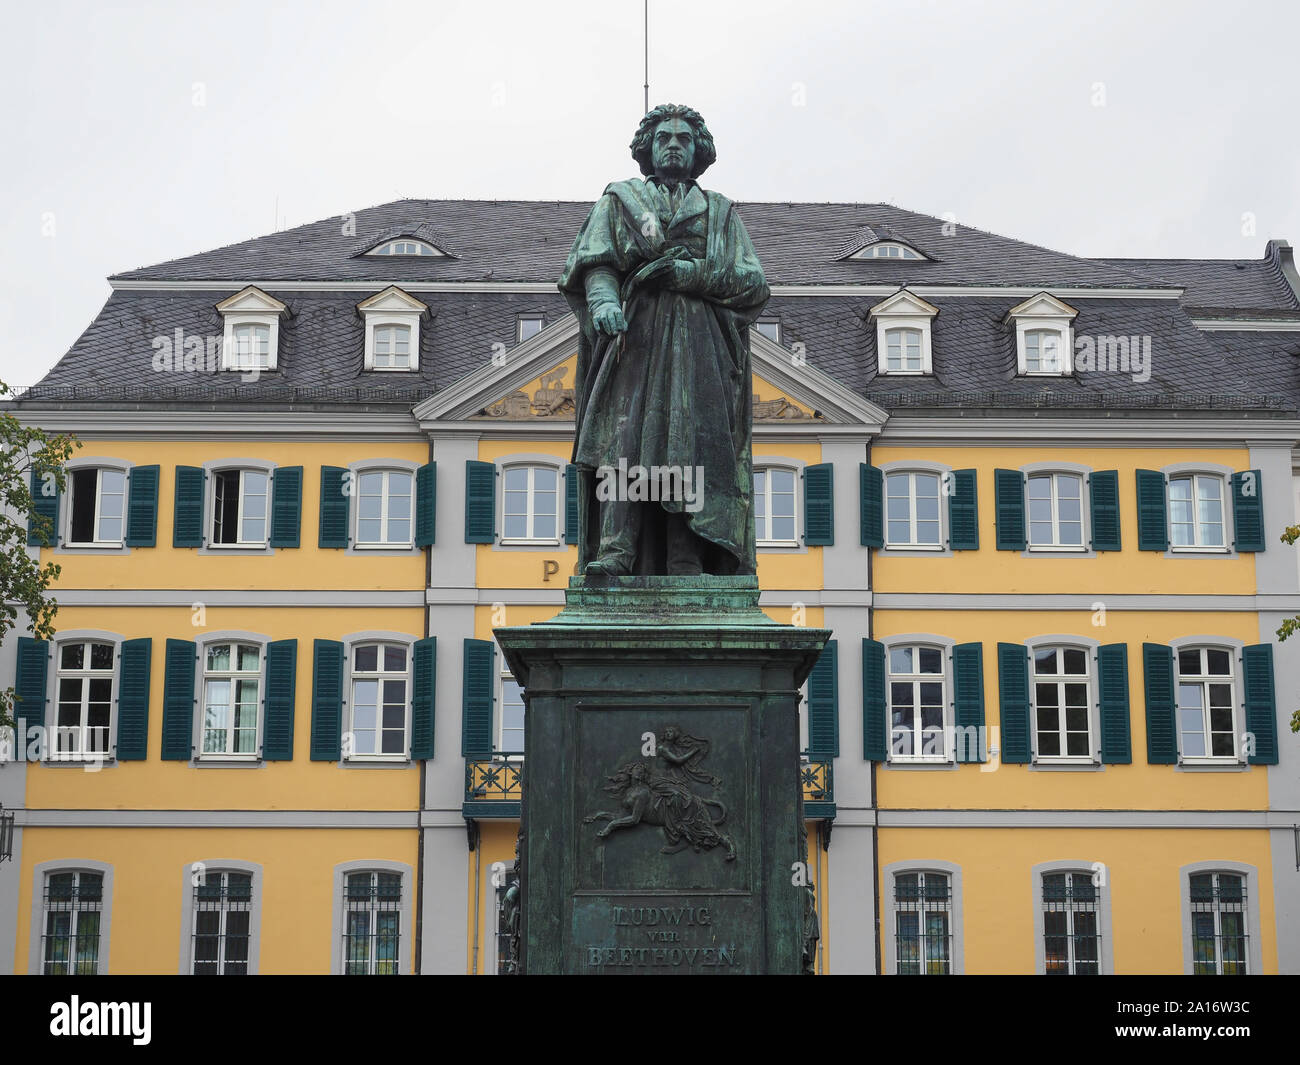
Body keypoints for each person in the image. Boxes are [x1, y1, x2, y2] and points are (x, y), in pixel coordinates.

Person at [559, 104, 770, 576]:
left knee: (691, 446)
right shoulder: (620, 201)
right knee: (624, 440)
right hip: (634, 336)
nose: (673, 144)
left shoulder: (720, 212)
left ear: (699, 151)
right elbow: (597, 264)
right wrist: (604, 304)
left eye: (683, 138)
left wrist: (689, 273)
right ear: (647, 149)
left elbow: (754, 284)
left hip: (702, 348)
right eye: (663, 137)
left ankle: (686, 556)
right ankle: (615, 551)